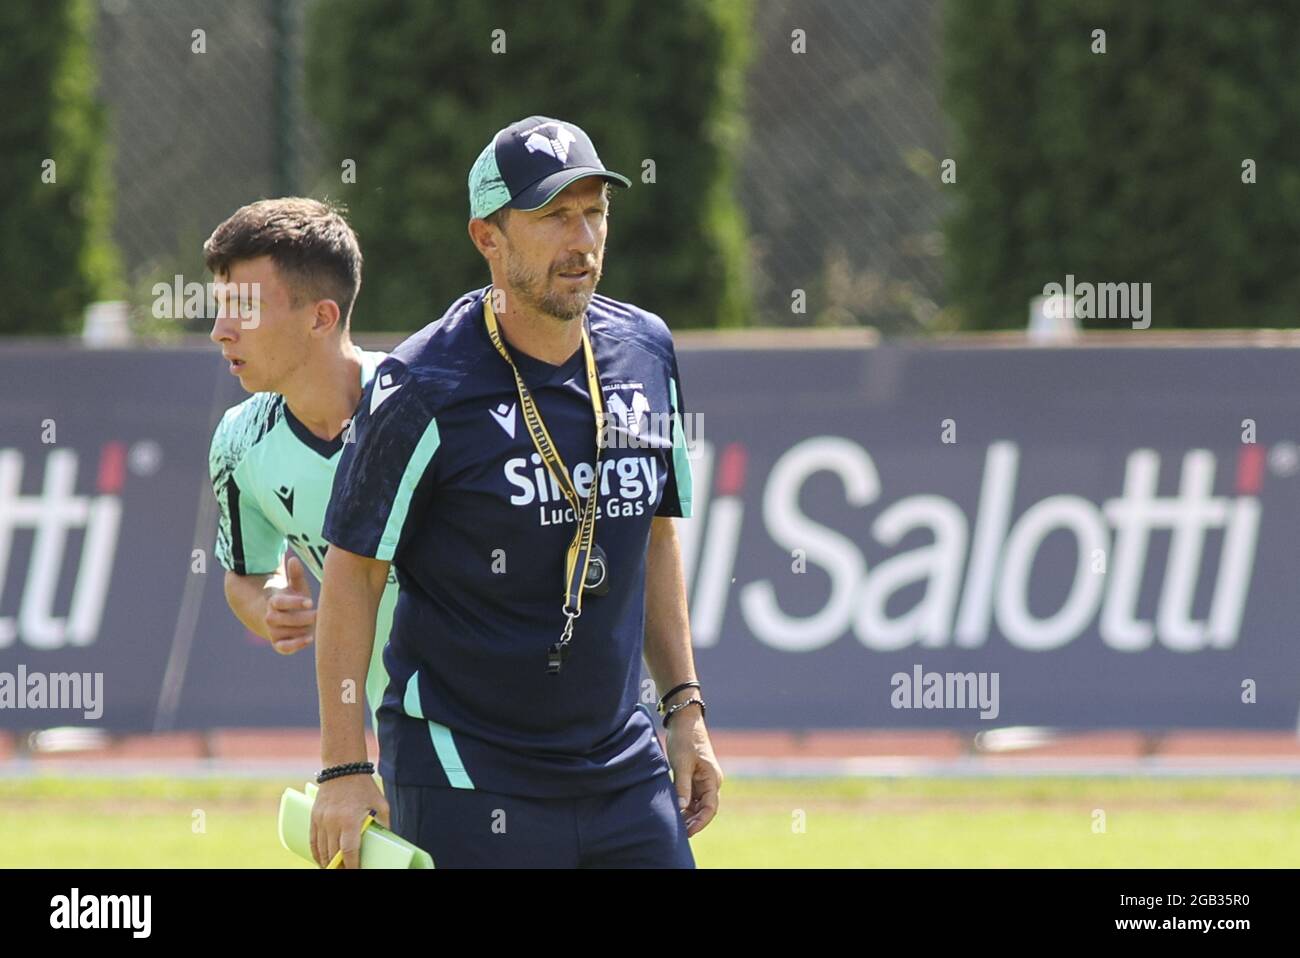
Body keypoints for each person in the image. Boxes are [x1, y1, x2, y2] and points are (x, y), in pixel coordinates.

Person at [310, 116, 723, 868]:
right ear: (487, 239)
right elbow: (352, 573)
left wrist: (684, 707)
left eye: (595, 210)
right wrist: (343, 768)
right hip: (467, 773)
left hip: (621, 766)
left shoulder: (646, 350)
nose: (583, 238)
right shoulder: (422, 384)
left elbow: (655, 537)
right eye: (553, 215)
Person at [206, 197, 396, 737]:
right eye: (220, 307)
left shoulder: (425, 406)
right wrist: (269, 606)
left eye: (244, 307)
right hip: (402, 740)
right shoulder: (239, 443)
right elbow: (244, 575)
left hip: (518, 725)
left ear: (321, 316)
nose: (221, 330)